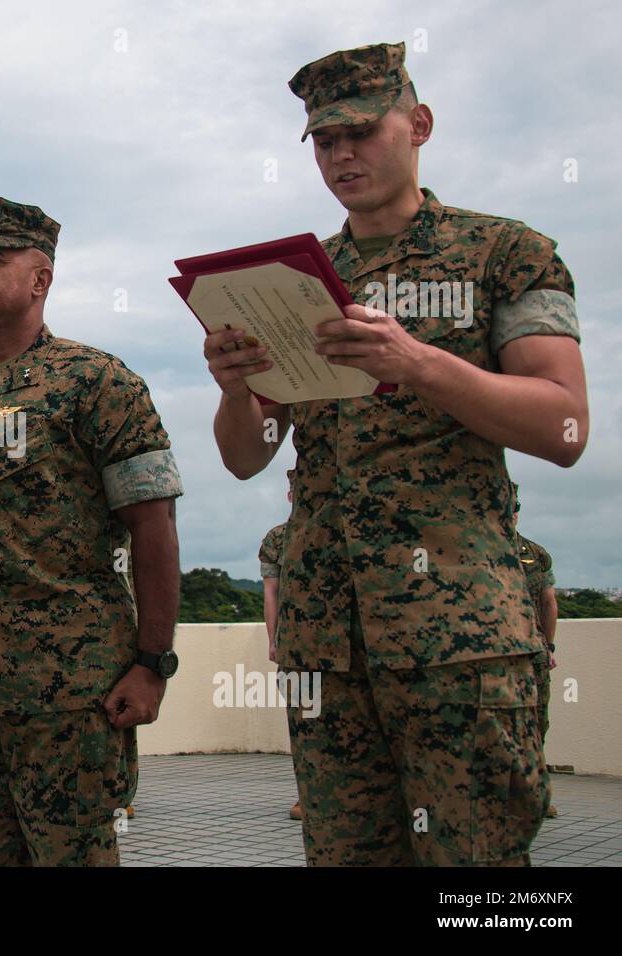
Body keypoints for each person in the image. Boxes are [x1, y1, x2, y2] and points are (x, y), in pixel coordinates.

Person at [206, 42, 588, 865]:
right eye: (321, 139)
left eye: (360, 131)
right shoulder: (296, 282)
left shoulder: (507, 254)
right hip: (326, 642)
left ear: (418, 126)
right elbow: (247, 458)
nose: (341, 153)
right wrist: (238, 390)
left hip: (459, 638)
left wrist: (418, 362)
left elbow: (565, 427)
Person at [0, 198, 183, 865]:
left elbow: (155, 529)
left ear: (41, 278)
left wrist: (152, 663)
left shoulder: (97, 383)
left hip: (69, 689)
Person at [513, 485, 559, 818]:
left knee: (533, 723)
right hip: (509, 651)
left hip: (527, 652)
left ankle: (534, 797)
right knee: (519, 724)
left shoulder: (534, 553)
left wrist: (550, 645)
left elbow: (549, 602)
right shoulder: (481, 548)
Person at [257, 471, 300, 820]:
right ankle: (308, 794)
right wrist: (274, 639)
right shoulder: (278, 539)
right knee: (302, 719)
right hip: (297, 640)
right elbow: (271, 593)